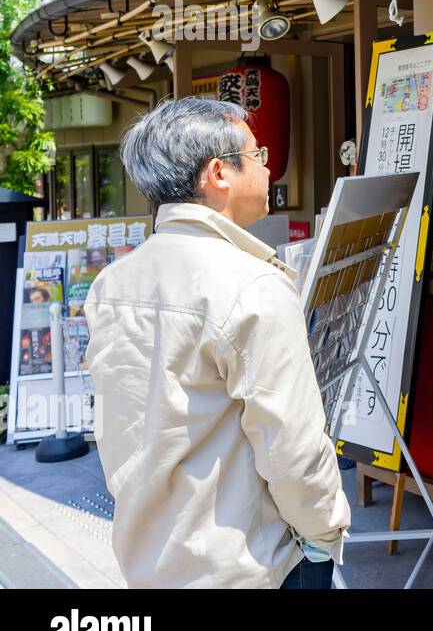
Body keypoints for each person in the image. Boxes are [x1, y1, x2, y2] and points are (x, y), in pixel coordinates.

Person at [83, 98, 349, 588]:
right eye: (259, 155)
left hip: (150, 560)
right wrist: (326, 533)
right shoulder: (252, 285)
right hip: (250, 563)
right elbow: (292, 449)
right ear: (218, 174)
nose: (269, 168)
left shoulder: (112, 283)